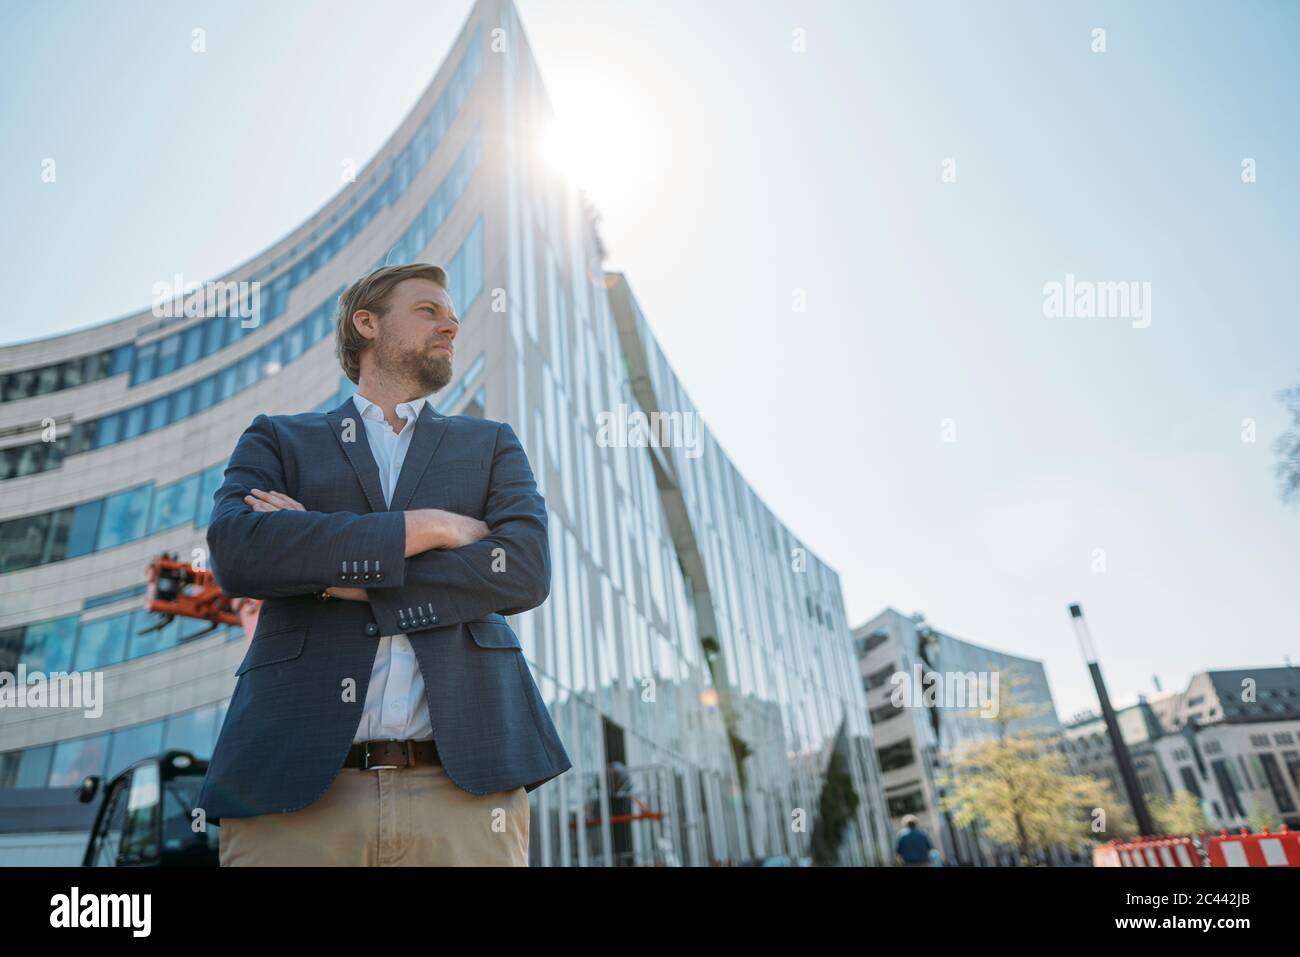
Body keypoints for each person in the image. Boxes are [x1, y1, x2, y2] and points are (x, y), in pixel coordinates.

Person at [195, 263, 572, 865]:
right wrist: (433, 528)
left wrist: (332, 570)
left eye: (451, 313)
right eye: (428, 310)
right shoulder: (278, 439)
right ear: (366, 324)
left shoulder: (491, 443)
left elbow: (523, 570)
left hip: (465, 791)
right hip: (293, 792)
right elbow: (242, 553)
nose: (451, 323)